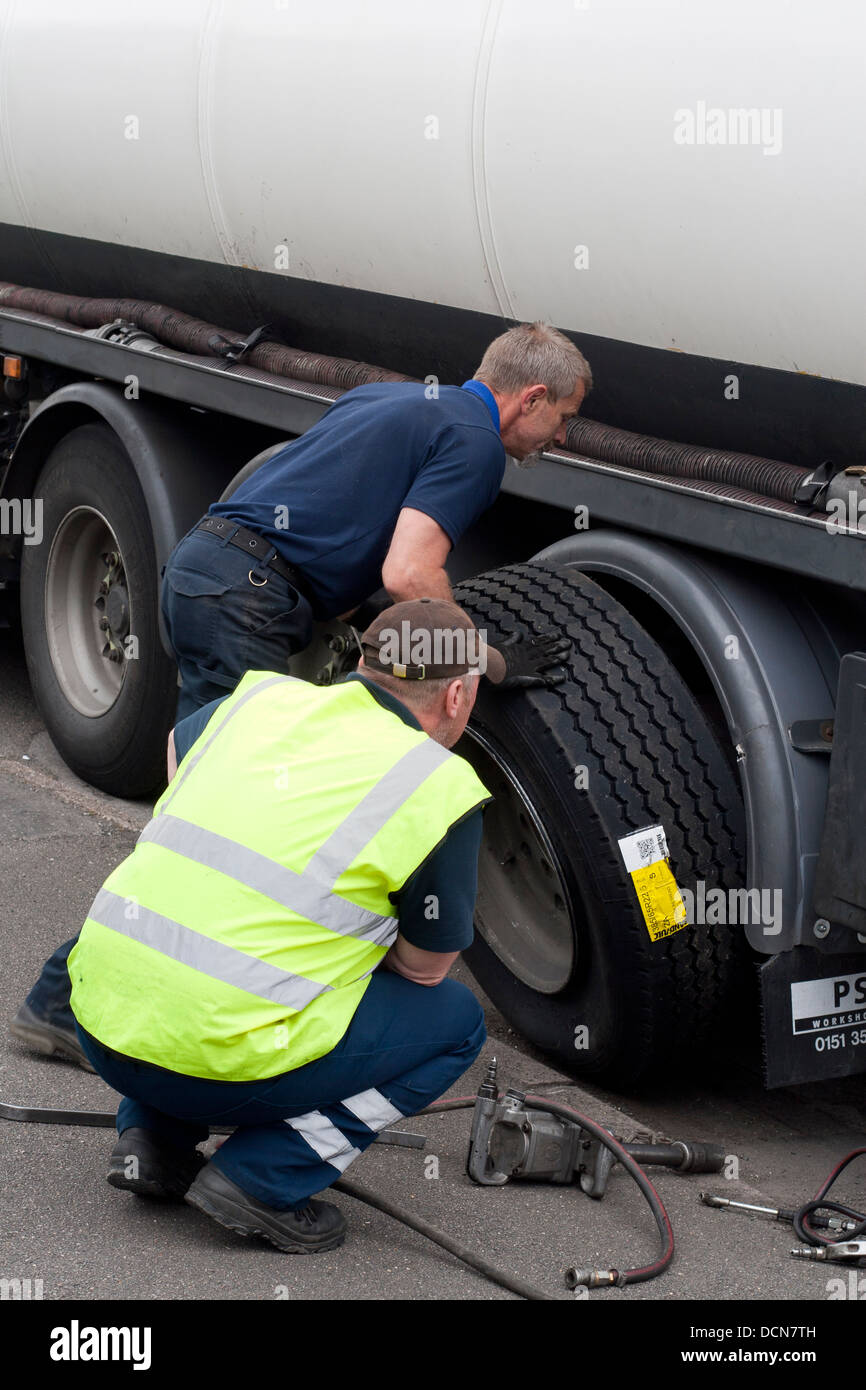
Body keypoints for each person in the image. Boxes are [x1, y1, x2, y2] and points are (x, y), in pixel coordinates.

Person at [60, 601, 558, 1252]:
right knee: (456, 1025)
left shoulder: (258, 699)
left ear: (362, 664)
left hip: (102, 1024)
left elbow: (179, 750)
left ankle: (152, 1140)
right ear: (458, 695)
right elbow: (423, 970)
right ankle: (262, 1177)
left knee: (213, 965)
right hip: (216, 1063)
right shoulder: (437, 786)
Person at [162, 320, 591, 718]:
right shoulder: (477, 442)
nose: (560, 438)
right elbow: (408, 574)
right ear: (533, 398)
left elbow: (331, 519)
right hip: (244, 600)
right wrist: (485, 659)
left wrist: (365, 615)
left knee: (204, 758)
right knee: (233, 774)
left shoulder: (383, 396)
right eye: (564, 417)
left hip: (203, 567)